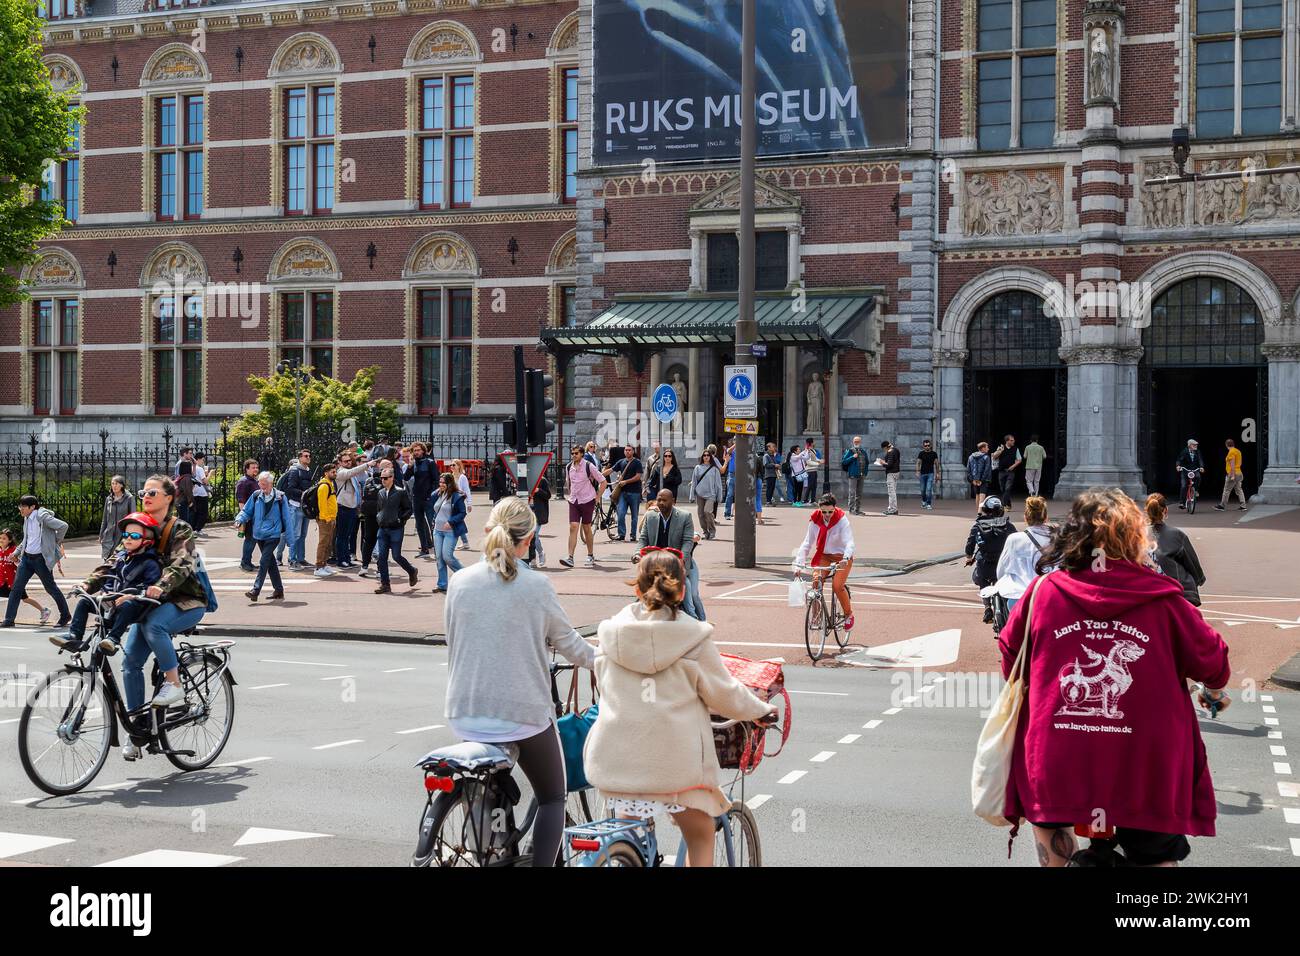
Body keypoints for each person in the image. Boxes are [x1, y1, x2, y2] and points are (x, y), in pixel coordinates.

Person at [999, 487, 1231, 867]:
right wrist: (1215, 691)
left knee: (1053, 825)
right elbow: (1214, 663)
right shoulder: (1164, 600)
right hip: (1144, 762)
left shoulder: (1041, 593)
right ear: (1136, 538)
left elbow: (1011, 656)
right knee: (1154, 853)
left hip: (1060, 751)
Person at [584, 550, 775, 866]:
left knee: (628, 826)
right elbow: (725, 694)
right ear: (683, 590)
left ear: (637, 588)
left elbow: (604, 686)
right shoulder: (694, 637)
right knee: (700, 832)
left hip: (615, 761)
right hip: (675, 766)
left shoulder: (610, 634)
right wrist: (759, 710)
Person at [443, 497, 596, 867]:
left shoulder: (460, 581)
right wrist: (608, 659)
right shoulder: (536, 585)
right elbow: (572, 647)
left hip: (465, 711)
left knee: (486, 788)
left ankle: (487, 846)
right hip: (521, 714)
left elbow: (455, 639)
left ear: (486, 532)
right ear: (529, 539)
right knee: (552, 797)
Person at [121, 475, 209, 732]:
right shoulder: (136, 525)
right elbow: (115, 562)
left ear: (168, 498)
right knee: (129, 663)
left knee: (153, 627)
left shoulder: (180, 528)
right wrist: (89, 585)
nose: (145, 497)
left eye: (152, 493)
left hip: (186, 601)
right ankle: (138, 726)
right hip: (149, 603)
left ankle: (175, 685)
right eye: (143, 493)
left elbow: (182, 563)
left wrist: (160, 585)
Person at [51, 512, 163, 655]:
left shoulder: (150, 563)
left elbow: (149, 586)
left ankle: (113, 639)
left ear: (148, 540)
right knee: (84, 602)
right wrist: (105, 592)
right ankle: (75, 636)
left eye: (134, 536)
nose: (128, 539)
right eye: (125, 535)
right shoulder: (121, 558)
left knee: (127, 606)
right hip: (113, 603)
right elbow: (110, 577)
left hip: (134, 607)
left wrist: (131, 596)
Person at [1, 495, 70, 629]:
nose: (20, 509)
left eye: (23, 506)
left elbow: (63, 526)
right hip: (26, 559)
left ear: (32, 507)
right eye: (20, 506)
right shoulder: (27, 518)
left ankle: (65, 615)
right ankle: (9, 619)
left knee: (51, 588)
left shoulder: (43, 517)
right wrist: (16, 553)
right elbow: (27, 540)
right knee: (16, 589)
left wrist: (55, 541)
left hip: (41, 560)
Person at [636, 488, 704, 620]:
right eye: (659, 499)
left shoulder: (685, 516)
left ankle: (700, 623)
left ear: (673, 501)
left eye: (664, 500)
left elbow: (687, 542)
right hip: (658, 565)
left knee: (691, 594)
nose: (660, 502)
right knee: (646, 591)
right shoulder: (650, 517)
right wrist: (638, 554)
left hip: (682, 566)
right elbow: (643, 539)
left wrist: (680, 559)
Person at [793, 493, 856, 632]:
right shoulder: (815, 519)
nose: (827, 514)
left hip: (841, 557)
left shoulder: (841, 519)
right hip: (824, 555)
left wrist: (845, 558)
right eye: (824, 512)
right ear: (819, 509)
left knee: (837, 585)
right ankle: (816, 617)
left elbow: (849, 542)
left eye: (830, 511)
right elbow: (807, 542)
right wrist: (799, 564)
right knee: (816, 582)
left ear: (835, 508)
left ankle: (848, 614)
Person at [992, 496, 1055, 614]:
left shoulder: (1014, 539)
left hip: (1020, 596)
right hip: (1050, 596)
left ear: (1026, 518)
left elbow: (1001, 571)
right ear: (1046, 518)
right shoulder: (1057, 539)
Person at [236, 471, 289, 602]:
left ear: (271, 484)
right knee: (270, 563)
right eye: (260, 483)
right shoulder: (256, 495)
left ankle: (256, 589)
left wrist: (291, 539)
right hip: (259, 534)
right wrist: (239, 519)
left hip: (273, 534)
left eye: (264, 484)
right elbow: (246, 511)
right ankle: (279, 590)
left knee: (264, 561)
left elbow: (287, 518)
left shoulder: (280, 497)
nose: (262, 486)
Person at [1146, 493, 1206, 606]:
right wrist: (1199, 579)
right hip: (1174, 592)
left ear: (1147, 511)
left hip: (1145, 589)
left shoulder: (1135, 536)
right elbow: (1192, 562)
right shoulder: (1176, 535)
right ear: (1165, 510)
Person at [965, 496, 1015, 624]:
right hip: (1003, 565)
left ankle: (987, 607)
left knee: (980, 577)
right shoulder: (1007, 524)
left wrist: (969, 557)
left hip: (986, 565)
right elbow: (1017, 540)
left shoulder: (978, 525)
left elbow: (970, 544)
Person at [373, 462, 418, 594]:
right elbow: (379, 509)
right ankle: (385, 584)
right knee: (382, 557)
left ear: (392, 478)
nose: (383, 480)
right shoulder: (380, 492)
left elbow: (409, 509)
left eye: (385, 478)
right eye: (381, 478)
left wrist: (401, 520)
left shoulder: (400, 492)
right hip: (383, 528)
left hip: (396, 528)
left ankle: (411, 570)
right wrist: (379, 518)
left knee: (396, 556)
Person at [561, 444, 605, 568]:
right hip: (574, 501)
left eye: (576, 453)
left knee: (586, 528)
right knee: (573, 527)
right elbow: (569, 482)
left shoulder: (588, 466)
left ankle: (590, 555)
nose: (574, 455)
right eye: (572, 453)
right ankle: (570, 557)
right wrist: (570, 496)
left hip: (587, 500)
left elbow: (603, 481)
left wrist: (597, 497)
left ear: (581, 454)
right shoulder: (569, 466)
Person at [0, 528, 48, 625]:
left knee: (25, 599)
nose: (1, 540)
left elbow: (21, 565)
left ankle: (44, 610)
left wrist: (15, 560)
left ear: (9, 540)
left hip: (13, 582)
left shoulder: (14, 551)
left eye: (4, 538)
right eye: (0, 538)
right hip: (1, 581)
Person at [277, 449, 315, 570]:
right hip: (296, 506)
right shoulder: (295, 471)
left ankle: (300, 558)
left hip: (305, 507)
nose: (308, 458)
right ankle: (292, 560)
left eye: (309, 456)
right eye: (306, 456)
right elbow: (290, 489)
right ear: (300, 458)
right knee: (295, 534)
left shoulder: (309, 471)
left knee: (302, 535)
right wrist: (306, 493)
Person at [430, 472, 467, 592]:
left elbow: (462, 513)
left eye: (443, 483)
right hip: (437, 531)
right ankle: (442, 584)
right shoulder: (438, 494)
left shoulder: (456, 496)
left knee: (447, 556)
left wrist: (451, 522)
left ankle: (465, 576)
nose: (441, 484)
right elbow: (432, 501)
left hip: (450, 531)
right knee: (439, 558)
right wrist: (439, 490)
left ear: (450, 483)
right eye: (440, 482)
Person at [333, 450, 371, 567]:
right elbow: (351, 472)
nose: (348, 462)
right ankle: (341, 559)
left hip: (351, 508)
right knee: (342, 535)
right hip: (343, 507)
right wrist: (367, 464)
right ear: (339, 462)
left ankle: (347, 558)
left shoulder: (349, 473)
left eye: (350, 460)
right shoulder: (340, 472)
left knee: (347, 535)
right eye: (345, 461)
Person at [404, 442, 438, 556]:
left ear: (423, 450)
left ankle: (437, 548)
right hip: (416, 497)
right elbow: (406, 477)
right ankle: (424, 549)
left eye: (418, 450)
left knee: (432, 523)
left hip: (428, 498)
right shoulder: (413, 464)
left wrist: (431, 495)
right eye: (414, 450)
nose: (416, 452)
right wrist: (409, 466)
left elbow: (436, 480)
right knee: (419, 524)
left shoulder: (430, 462)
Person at [610, 444, 643, 542]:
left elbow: (638, 476)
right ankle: (621, 534)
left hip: (635, 492)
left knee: (634, 516)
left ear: (633, 451)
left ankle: (633, 535)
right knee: (621, 513)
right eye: (626, 450)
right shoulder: (621, 462)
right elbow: (611, 470)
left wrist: (626, 481)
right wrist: (598, 475)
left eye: (629, 450)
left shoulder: (637, 463)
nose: (627, 451)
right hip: (623, 493)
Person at [689, 449, 724, 541]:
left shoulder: (714, 469)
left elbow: (718, 484)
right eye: (704, 455)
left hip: (711, 495)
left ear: (710, 457)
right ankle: (705, 532)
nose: (706, 457)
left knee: (707, 512)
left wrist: (719, 496)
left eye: (708, 455)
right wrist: (692, 496)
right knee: (700, 514)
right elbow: (694, 483)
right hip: (700, 494)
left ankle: (712, 530)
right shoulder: (697, 468)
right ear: (702, 457)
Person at [356, 464, 383, 579]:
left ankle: (364, 566)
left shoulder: (368, 481)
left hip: (368, 514)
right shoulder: (386, 482)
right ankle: (380, 569)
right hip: (381, 515)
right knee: (382, 541)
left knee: (368, 540)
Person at [99, 475, 136, 559]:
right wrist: (101, 535)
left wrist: (131, 534)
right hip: (108, 535)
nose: (114, 486)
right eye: (112, 484)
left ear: (122, 485)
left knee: (119, 559)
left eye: (116, 484)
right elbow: (105, 519)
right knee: (107, 560)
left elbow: (133, 519)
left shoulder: (129, 498)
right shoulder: (109, 499)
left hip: (122, 535)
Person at [313, 461, 339, 578]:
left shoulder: (330, 484)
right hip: (325, 520)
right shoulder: (324, 486)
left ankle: (324, 564)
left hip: (331, 518)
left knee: (328, 543)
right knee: (323, 543)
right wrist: (327, 518)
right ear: (326, 473)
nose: (335, 473)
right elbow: (321, 504)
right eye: (332, 472)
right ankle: (319, 566)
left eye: (335, 471)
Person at [235, 458, 261, 571]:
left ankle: (248, 561)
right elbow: (241, 501)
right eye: (253, 468)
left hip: (256, 515)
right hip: (249, 515)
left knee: (253, 539)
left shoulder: (254, 481)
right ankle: (245, 562)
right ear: (247, 469)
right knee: (250, 539)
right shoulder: (243, 481)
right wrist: (245, 517)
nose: (256, 469)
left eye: (256, 467)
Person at [1216, 438, 1247, 512]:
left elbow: (1232, 464)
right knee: (1239, 489)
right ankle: (1243, 506)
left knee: (1226, 490)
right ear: (1233, 444)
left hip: (1233, 473)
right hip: (1239, 473)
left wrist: (1232, 475)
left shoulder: (1231, 452)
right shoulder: (1238, 451)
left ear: (1226, 445)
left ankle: (1222, 506)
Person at [991, 435, 1022, 509]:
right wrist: (1000, 451)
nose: (1013, 441)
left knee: (1008, 488)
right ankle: (1008, 504)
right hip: (1001, 471)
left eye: (1013, 440)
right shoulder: (1001, 448)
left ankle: (1003, 505)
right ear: (1007, 441)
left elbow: (1019, 460)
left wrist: (1013, 466)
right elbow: (994, 457)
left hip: (1011, 472)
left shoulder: (1015, 449)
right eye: (1011, 440)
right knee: (1003, 489)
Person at [449, 459, 474, 550]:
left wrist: (469, 503)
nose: (452, 466)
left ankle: (464, 542)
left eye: (454, 465)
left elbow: (467, 490)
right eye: (451, 465)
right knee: (457, 521)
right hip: (452, 501)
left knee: (457, 521)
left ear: (459, 466)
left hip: (459, 501)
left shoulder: (462, 477)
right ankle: (465, 542)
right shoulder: (451, 476)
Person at [528, 472, 551, 567]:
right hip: (527, 511)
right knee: (528, 536)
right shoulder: (524, 480)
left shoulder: (542, 480)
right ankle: (532, 559)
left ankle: (540, 553)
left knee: (535, 535)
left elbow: (548, 495)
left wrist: (538, 490)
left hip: (538, 511)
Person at [842, 436, 869, 515]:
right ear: (853, 442)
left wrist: (865, 472)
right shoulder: (850, 451)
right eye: (855, 441)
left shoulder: (863, 451)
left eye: (858, 441)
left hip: (861, 475)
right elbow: (844, 462)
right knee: (852, 493)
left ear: (860, 442)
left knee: (859, 493)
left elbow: (867, 462)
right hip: (853, 475)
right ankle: (851, 509)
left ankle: (857, 509)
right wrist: (852, 457)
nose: (856, 442)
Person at [1176, 439, 1205, 509]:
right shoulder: (1184, 452)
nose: (1196, 446)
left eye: (1196, 445)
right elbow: (1179, 460)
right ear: (1189, 445)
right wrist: (1178, 466)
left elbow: (1200, 460)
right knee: (1184, 485)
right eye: (1194, 445)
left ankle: (1195, 490)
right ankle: (1182, 503)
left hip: (1194, 469)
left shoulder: (1197, 451)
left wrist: (1201, 467)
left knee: (1198, 477)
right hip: (1185, 470)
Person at [875, 439, 901, 515]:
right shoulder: (896, 450)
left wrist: (882, 462)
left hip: (891, 473)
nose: (884, 450)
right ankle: (891, 508)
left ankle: (893, 509)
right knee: (893, 491)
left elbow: (889, 464)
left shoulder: (890, 452)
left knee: (891, 492)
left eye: (884, 449)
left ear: (885, 447)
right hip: (896, 472)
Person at [967, 441, 993, 512]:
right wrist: (982, 480)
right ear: (983, 448)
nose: (988, 449)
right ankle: (979, 512)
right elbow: (986, 470)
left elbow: (968, 469)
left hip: (975, 480)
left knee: (977, 495)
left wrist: (972, 480)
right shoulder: (986, 457)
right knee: (982, 495)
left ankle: (978, 511)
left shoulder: (971, 457)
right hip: (983, 480)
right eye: (987, 447)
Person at [189, 452, 211, 534]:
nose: (203, 461)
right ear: (198, 459)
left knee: (195, 511)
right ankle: (198, 528)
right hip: (201, 493)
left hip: (194, 492)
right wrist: (210, 474)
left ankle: (195, 528)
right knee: (203, 512)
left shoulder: (192, 468)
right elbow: (205, 481)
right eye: (202, 459)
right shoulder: (199, 468)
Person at [916, 439, 939, 510]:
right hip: (922, 473)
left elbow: (937, 464)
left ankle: (928, 503)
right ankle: (924, 501)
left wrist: (938, 473)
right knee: (923, 490)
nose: (927, 447)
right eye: (925, 445)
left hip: (930, 473)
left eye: (928, 445)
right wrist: (917, 471)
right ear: (923, 446)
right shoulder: (921, 453)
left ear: (930, 445)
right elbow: (918, 462)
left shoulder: (934, 454)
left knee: (929, 489)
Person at [175, 460, 195, 526]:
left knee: (182, 519)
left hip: (179, 500)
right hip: (184, 500)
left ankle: (182, 534)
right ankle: (184, 534)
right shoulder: (187, 478)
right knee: (185, 520)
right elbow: (188, 491)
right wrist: (190, 501)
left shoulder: (182, 477)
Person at [803, 438, 822, 503]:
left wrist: (820, 461)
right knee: (810, 485)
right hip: (810, 471)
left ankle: (813, 500)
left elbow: (815, 458)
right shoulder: (807, 451)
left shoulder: (813, 450)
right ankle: (805, 500)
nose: (814, 443)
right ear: (811, 443)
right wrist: (818, 463)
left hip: (814, 470)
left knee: (814, 486)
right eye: (813, 442)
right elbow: (808, 461)